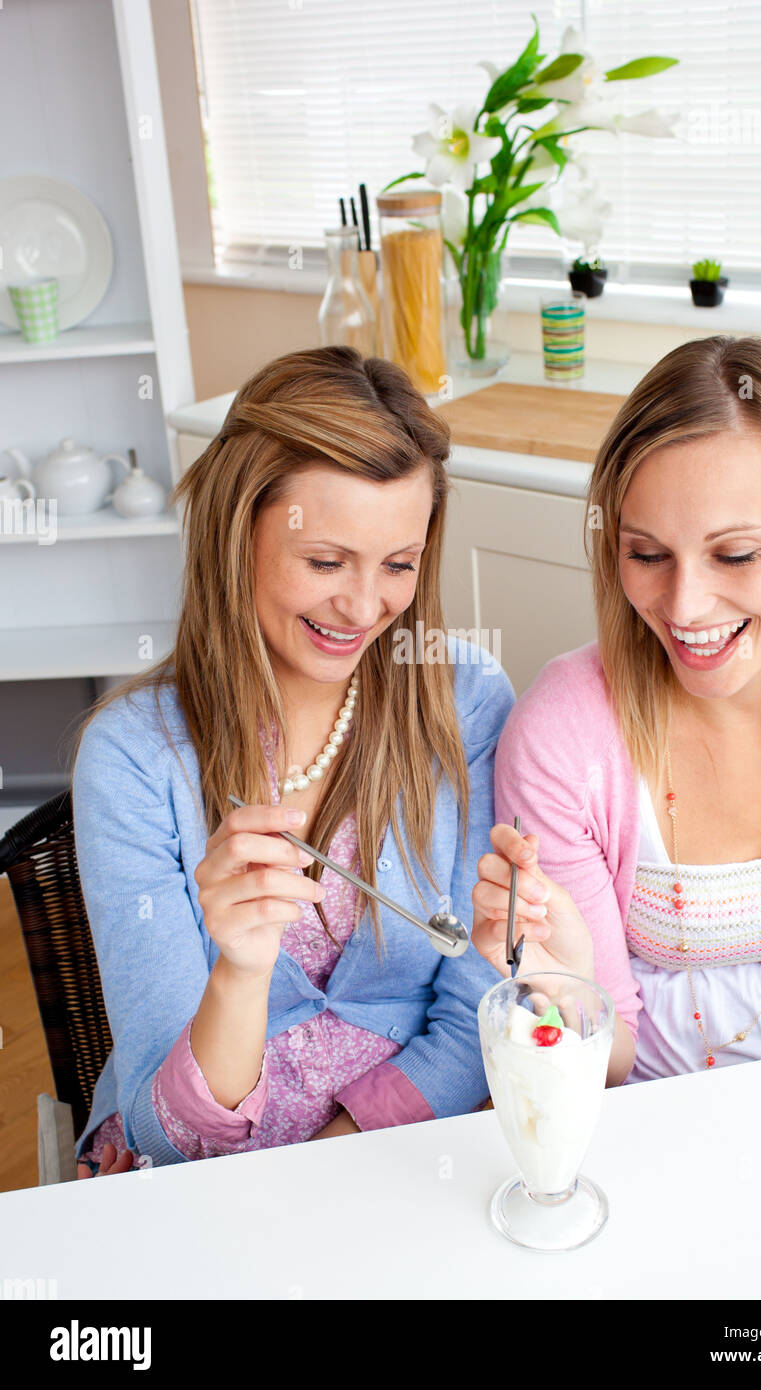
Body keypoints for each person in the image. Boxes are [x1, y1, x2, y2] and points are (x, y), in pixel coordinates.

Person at [71, 345, 513, 1176]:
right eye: (323, 561)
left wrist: (339, 1156)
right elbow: (168, 1136)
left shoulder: (465, 701)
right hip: (205, 1180)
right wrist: (240, 970)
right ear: (237, 534)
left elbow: (473, 1014)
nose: (362, 606)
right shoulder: (131, 758)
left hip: (406, 1147)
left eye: (398, 565)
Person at [472, 334, 761, 1083]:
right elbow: (608, 1060)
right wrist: (568, 986)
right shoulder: (560, 734)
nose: (684, 606)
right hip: (668, 1124)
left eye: (734, 555)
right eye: (645, 554)